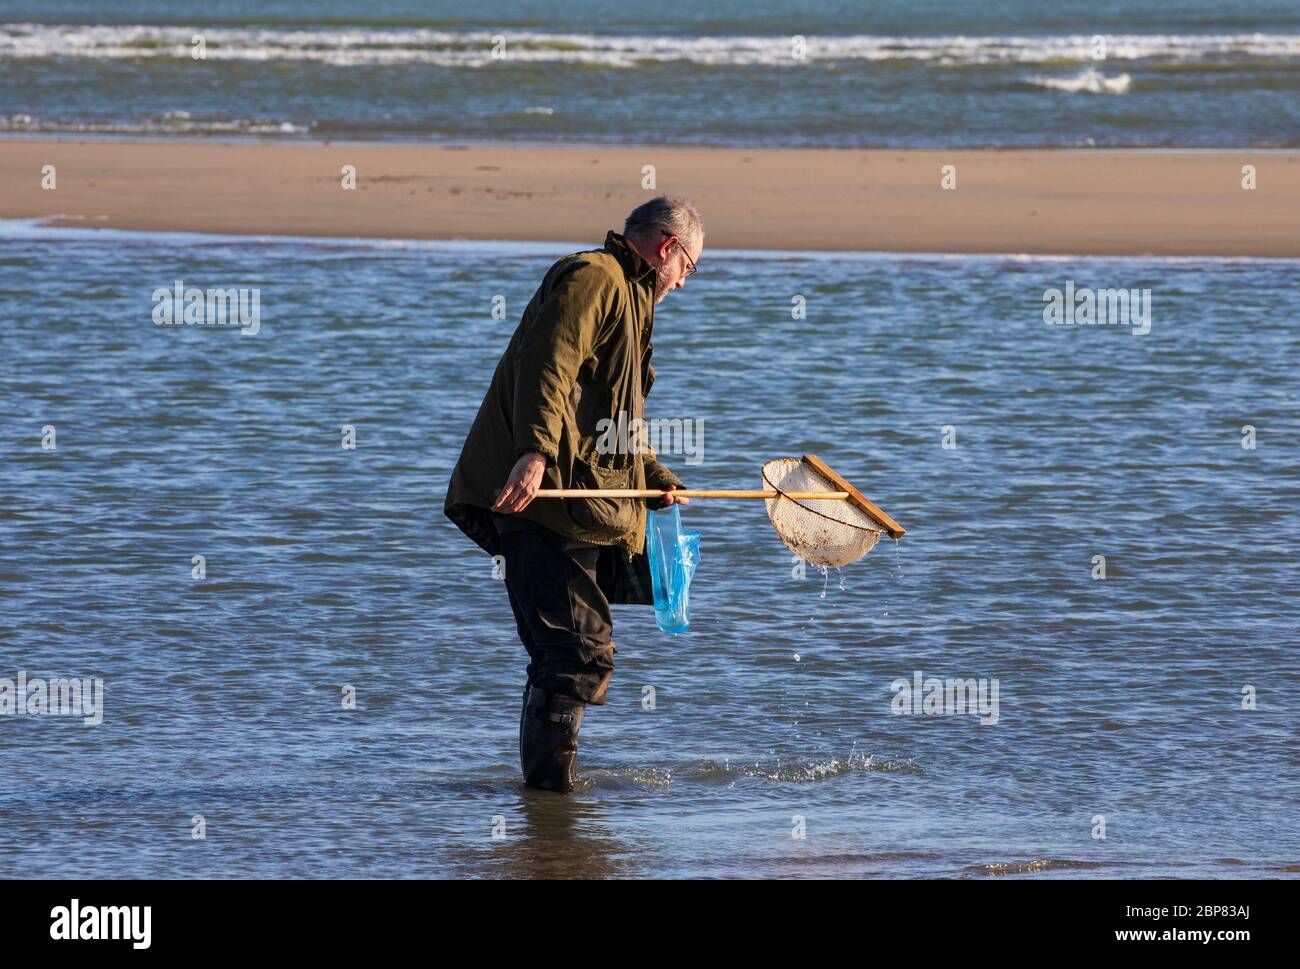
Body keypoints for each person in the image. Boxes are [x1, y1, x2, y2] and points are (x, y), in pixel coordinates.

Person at [444, 196, 704, 792]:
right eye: (689, 267)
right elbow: (547, 364)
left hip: (573, 499)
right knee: (576, 655)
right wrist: (533, 453)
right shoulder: (595, 277)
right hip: (540, 496)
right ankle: (551, 817)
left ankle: (544, 813)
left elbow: (612, 421)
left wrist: (655, 478)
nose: (684, 283)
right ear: (667, 248)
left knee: (567, 655)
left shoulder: (635, 300)